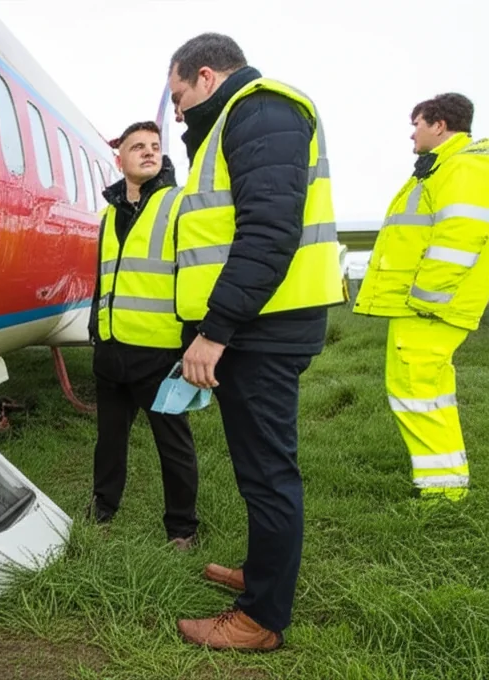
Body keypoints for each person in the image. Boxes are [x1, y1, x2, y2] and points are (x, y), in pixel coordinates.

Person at [165, 33, 347, 650]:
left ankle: (261, 618)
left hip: (261, 330)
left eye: (181, 96)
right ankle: (263, 572)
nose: (180, 111)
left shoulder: (261, 112)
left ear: (207, 76)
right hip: (259, 325)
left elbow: (268, 233)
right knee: (256, 469)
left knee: (268, 473)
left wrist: (214, 332)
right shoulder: (243, 121)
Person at [353, 93, 489, 502]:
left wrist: (427, 298)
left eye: (417, 124)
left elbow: (461, 237)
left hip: (430, 308)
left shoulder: (462, 166)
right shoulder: (444, 168)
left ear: (440, 125)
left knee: (420, 397)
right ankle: (446, 489)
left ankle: (443, 496)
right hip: (425, 307)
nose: (412, 133)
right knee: (425, 396)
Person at [87, 121, 200, 549]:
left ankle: (182, 529)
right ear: (120, 158)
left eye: (155, 146)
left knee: (173, 444)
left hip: (159, 351)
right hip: (111, 349)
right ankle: (102, 508)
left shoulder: (178, 204)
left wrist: (192, 340)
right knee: (109, 441)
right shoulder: (108, 214)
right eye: (138, 146)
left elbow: (193, 274)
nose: (149, 152)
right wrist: (96, 329)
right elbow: (105, 278)